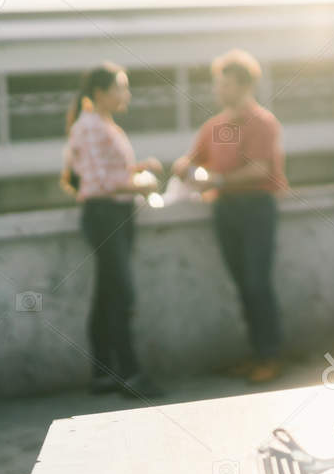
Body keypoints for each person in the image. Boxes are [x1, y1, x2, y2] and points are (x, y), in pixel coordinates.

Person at [172, 49, 288, 383]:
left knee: (256, 282)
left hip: (255, 207)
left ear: (243, 84)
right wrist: (185, 166)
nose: (218, 91)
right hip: (225, 209)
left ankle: (270, 355)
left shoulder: (262, 122)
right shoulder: (214, 125)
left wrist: (218, 179)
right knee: (242, 284)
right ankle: (256, 354)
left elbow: (260, 169)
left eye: (224, 84)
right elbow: (192, 159)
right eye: (217, 84)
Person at [61, 63, 164, 397]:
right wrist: (143, 186)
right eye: (121, 87)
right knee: (120, 293)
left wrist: (137, 169)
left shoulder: (101, 124)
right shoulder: (90, 125)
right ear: (101, 92)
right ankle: (130, 374)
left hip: (113, 214)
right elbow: (103, 182)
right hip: (105, 214)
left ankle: (102, 374)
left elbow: (104, 171)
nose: (126, 93)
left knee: (107, 295)